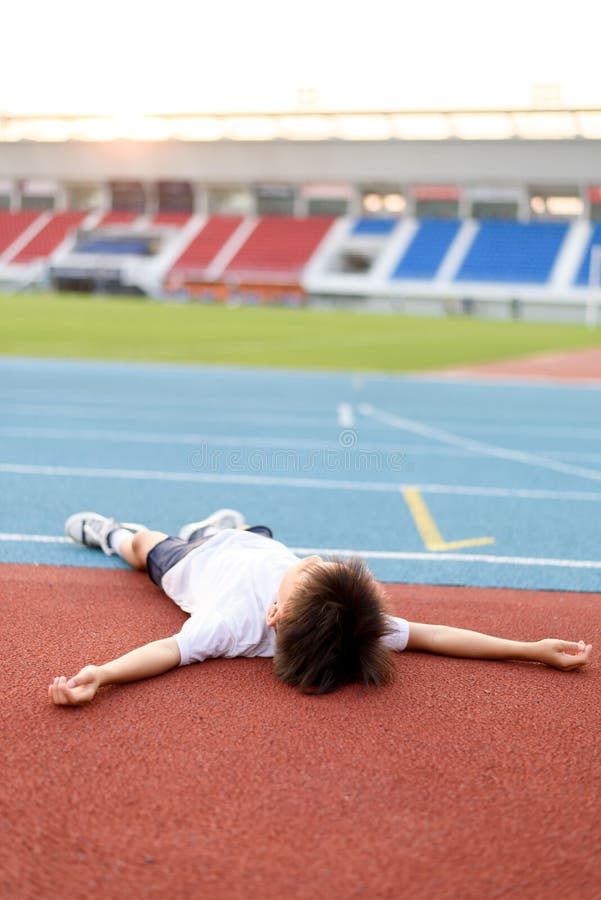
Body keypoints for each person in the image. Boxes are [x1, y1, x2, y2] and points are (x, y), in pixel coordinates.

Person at [48, 509, 592, 706]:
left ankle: (109, 532)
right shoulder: (350, 616)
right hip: (254, 544)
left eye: (310, 570)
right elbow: (435, 636)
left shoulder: (227, 625)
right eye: (327, 565)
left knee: (147, 543)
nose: (317, 559)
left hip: (195, 564)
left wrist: (104, 674)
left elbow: (166, 650)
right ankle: (216, 525)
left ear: (274, 616)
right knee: (250, 528)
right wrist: (529, 650)